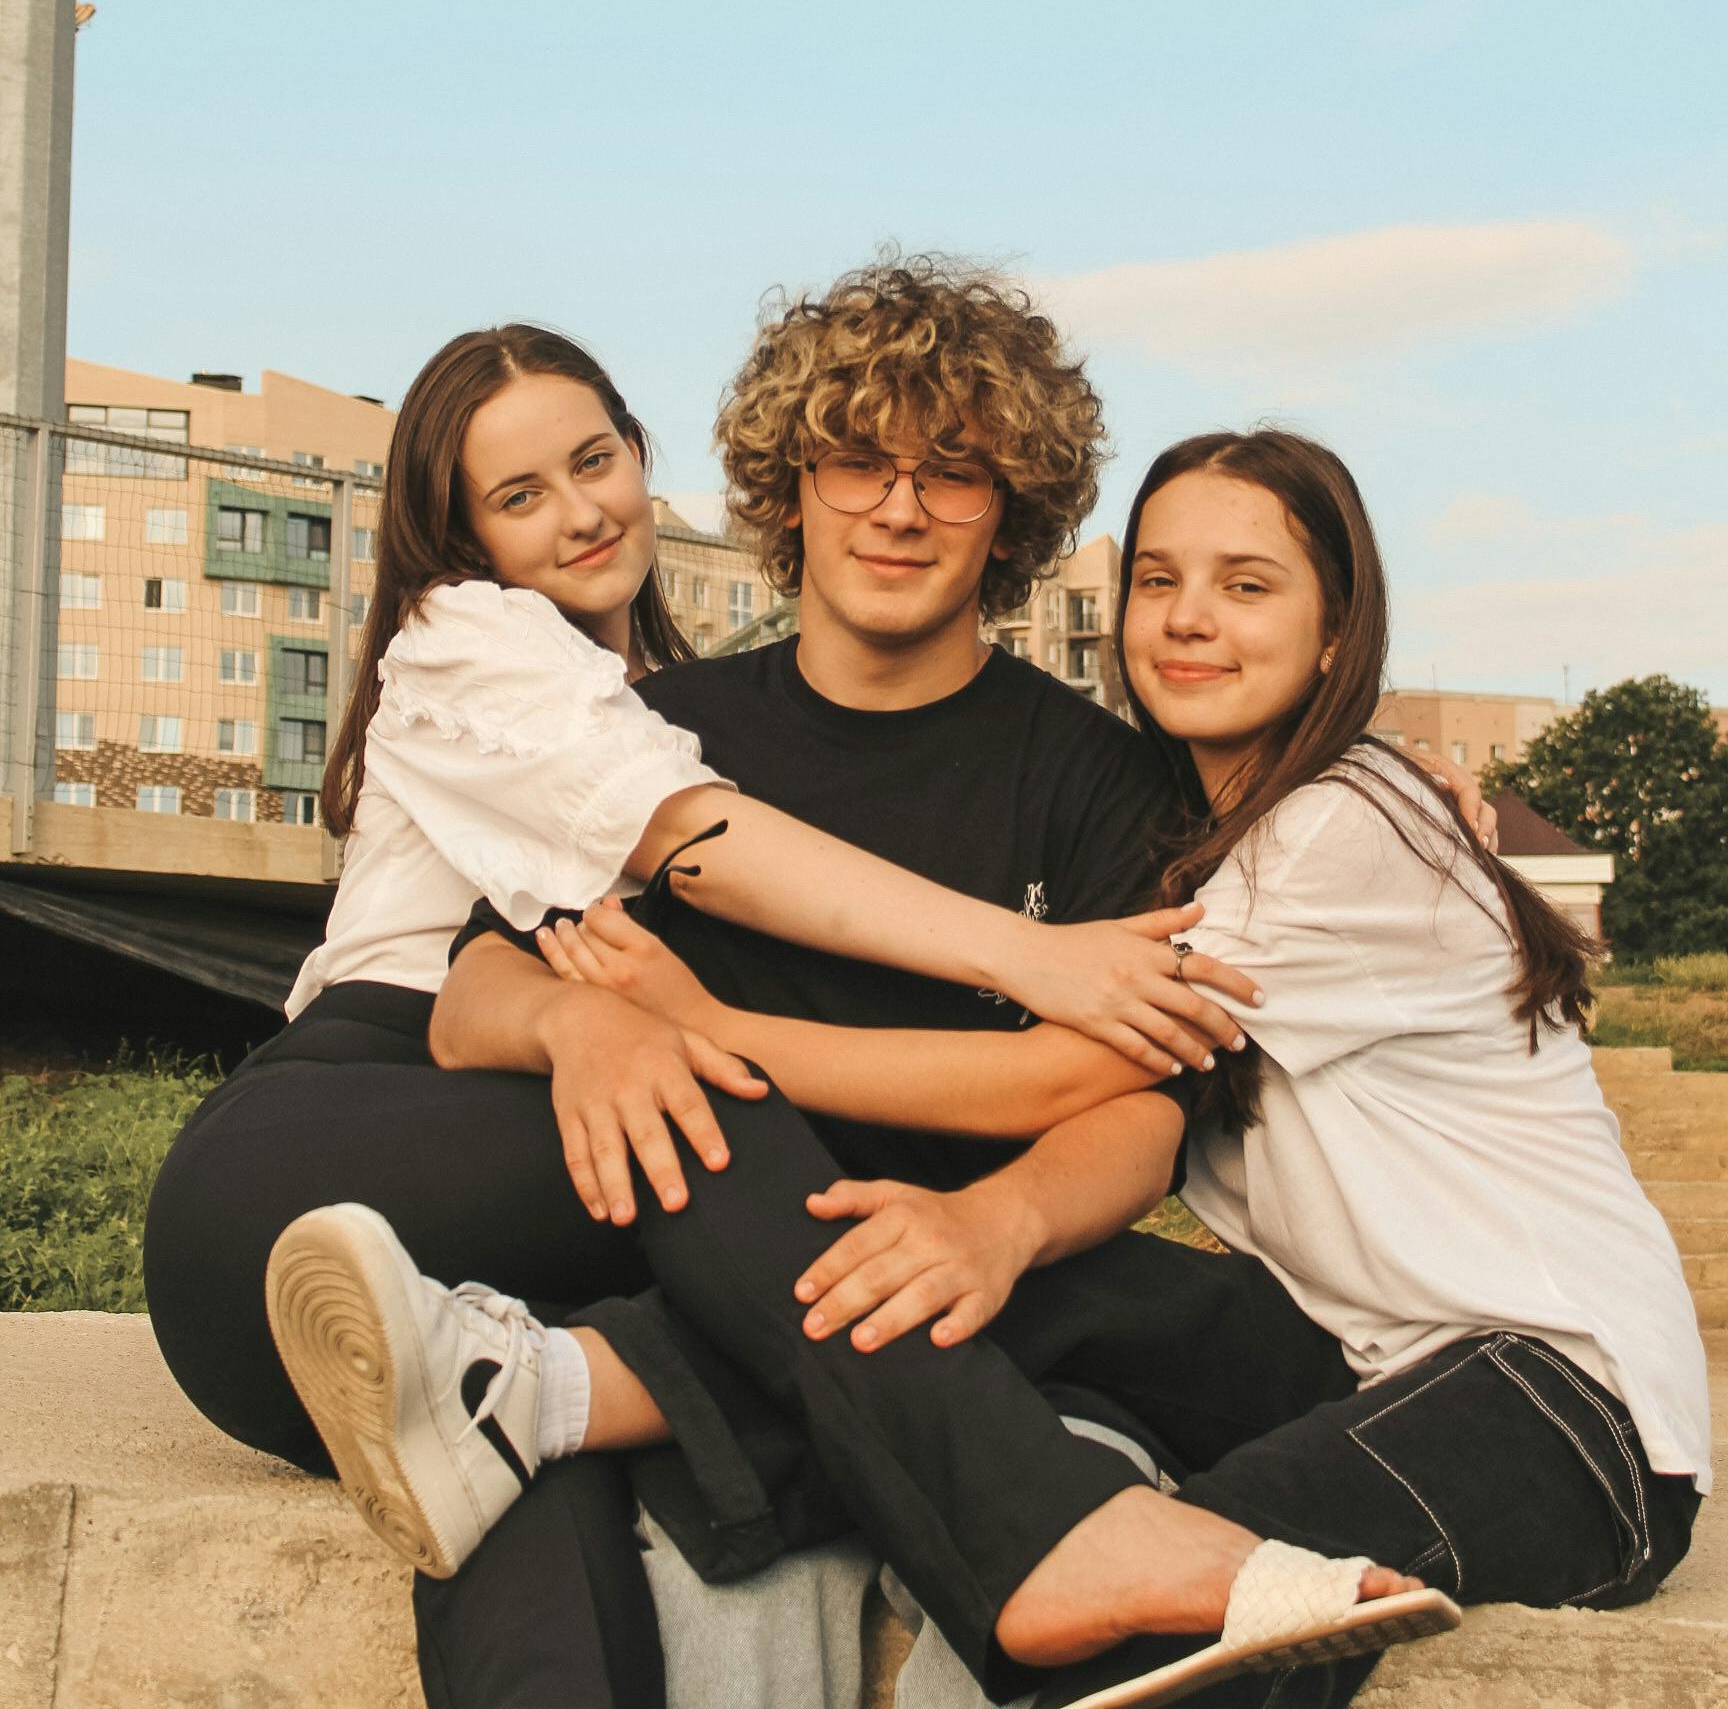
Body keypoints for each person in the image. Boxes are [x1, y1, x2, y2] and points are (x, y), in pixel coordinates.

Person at [249, 275, 1504, 1707]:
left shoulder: (1103, 780)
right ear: (791, 486)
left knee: (1213, 1356)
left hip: (978, 1304)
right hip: (730, 1309)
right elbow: (470, 996)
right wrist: (585, 1020)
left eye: (953, 473)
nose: (899, 510)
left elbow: (1139, 1114)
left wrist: (998, 1219)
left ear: (1013, 510)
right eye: (858, 462)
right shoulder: (669, 732)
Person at [538, 426, 1710, 1708]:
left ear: (1338, 632)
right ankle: (550, 1389)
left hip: (1559, 1406)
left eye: (1247, 586)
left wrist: (703, 1024)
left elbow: (1052, 1080)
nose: (1190, 619)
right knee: (1008, 1277)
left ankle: (580, 1389)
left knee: (1174, 1608)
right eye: (1159, 580)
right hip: (1346, 1360)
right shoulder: (1214, 840)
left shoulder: (1340, 830)